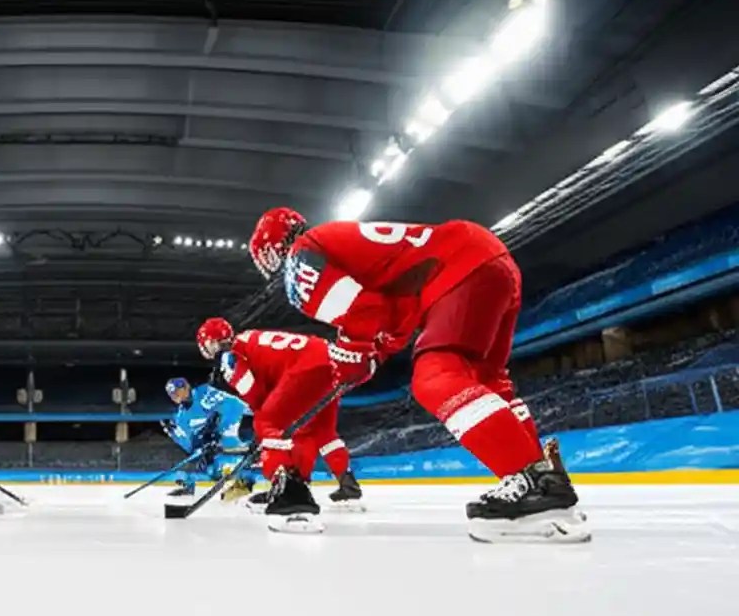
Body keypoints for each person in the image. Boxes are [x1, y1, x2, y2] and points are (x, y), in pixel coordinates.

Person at [249, 207, 588, 542]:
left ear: (275, 245)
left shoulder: (302, 258)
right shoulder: (335, 242)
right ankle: (546, 480)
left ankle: (532, 481)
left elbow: (368, 314)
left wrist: (351, 354)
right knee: (489, 382)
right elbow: (394, 320)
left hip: (457, 270)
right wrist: (369, 353)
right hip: (488, 259)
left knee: (436, 375)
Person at [198, 318, 361, 533]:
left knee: (267, 421)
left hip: (304, 367)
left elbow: (258, 400)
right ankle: (344, 484)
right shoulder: (249, 337)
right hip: (330, 360)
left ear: (210, 344)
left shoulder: (230, 358)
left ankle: (286, 492)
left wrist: (263, 441)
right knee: (320, 430)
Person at [160, 377, 249, 499]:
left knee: (228, 454)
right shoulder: (181, 417)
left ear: (187, 387)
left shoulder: (203, 392)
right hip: (216, 446)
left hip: (233, 428)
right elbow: (191, 446)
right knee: (210, 468)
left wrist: (216, 425)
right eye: (172, 394)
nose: (175, 395)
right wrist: (175, 435)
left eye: (177, 390)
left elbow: (233, 405)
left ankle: (241, 477)